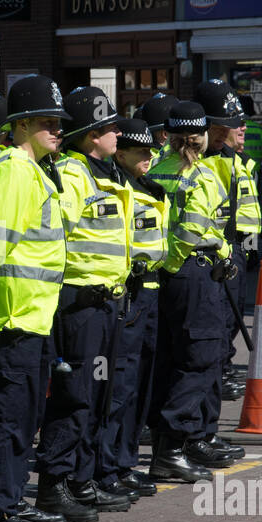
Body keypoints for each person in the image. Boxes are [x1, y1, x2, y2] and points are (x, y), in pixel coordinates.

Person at [0, 84, 69, 522]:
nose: (57, 129)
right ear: (21, 126)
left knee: (21, 420)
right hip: (14, 318)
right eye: (47, 122)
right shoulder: (13, 171)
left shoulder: (30, 169)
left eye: (57, 122)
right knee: (9, 421)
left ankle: (11, 501)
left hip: (32, 317)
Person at [35, 83, 134, 522]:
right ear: (93, 134)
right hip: (81, 307)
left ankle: (82, 479)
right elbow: (59, 234)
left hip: (107, 305)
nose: (119, 134)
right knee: (75, 397)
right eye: (112, 127)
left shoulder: (106, 173)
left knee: (98, 395)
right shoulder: (75, 174)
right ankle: (54, 485)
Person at [144, 101, 240, 480]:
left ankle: (167, 448)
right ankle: (171, 449)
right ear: (200, 137)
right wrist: (223, 251)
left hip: (163, 277)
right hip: (192, 273)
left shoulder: (158, 168)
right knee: (201, 358)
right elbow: (192, 231)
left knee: (169, 359)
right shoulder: (200, 175)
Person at [105, 117, 167, 497]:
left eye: (150, 150)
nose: (148, 156)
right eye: (140, 151)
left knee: (140, 384)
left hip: (152, 291)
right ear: (120, 152)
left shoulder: (151, 187)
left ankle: (126, 461)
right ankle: (110, 464)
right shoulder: (117, 189)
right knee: (120, 386)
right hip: (128, 292)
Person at [198, 80, 260, 402]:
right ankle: (219, 371)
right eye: (230, 127)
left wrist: (248, 247)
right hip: (211, 251)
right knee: (218, 318)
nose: (238, 131)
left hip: (235, 247)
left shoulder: (238, 161)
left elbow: (245, 207)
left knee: (231, 315)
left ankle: (222, 369)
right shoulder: (201, 160)